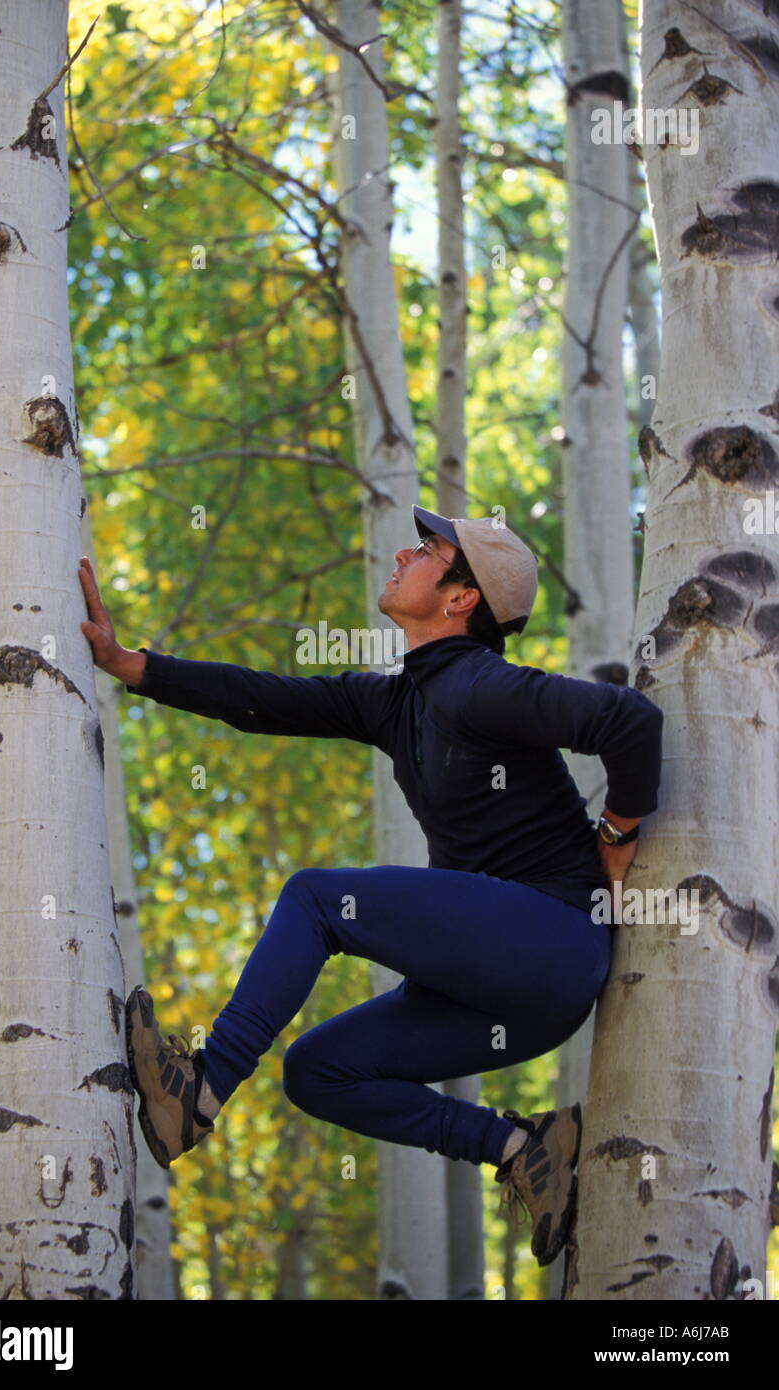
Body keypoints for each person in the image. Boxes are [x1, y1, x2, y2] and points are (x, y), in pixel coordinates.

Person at [78, 505, 663, 1268]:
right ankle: (525, 1147)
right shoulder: (399, 699)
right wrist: (133, 666)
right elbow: (266, 700)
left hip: (551, 945)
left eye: (426, 550)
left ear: (460, 599)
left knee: (319, 899)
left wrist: (616, 837)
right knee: (317, 1071)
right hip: (505, 994)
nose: (402, 553)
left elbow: (630, 722)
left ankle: (203, 1089)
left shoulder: (477, 685)